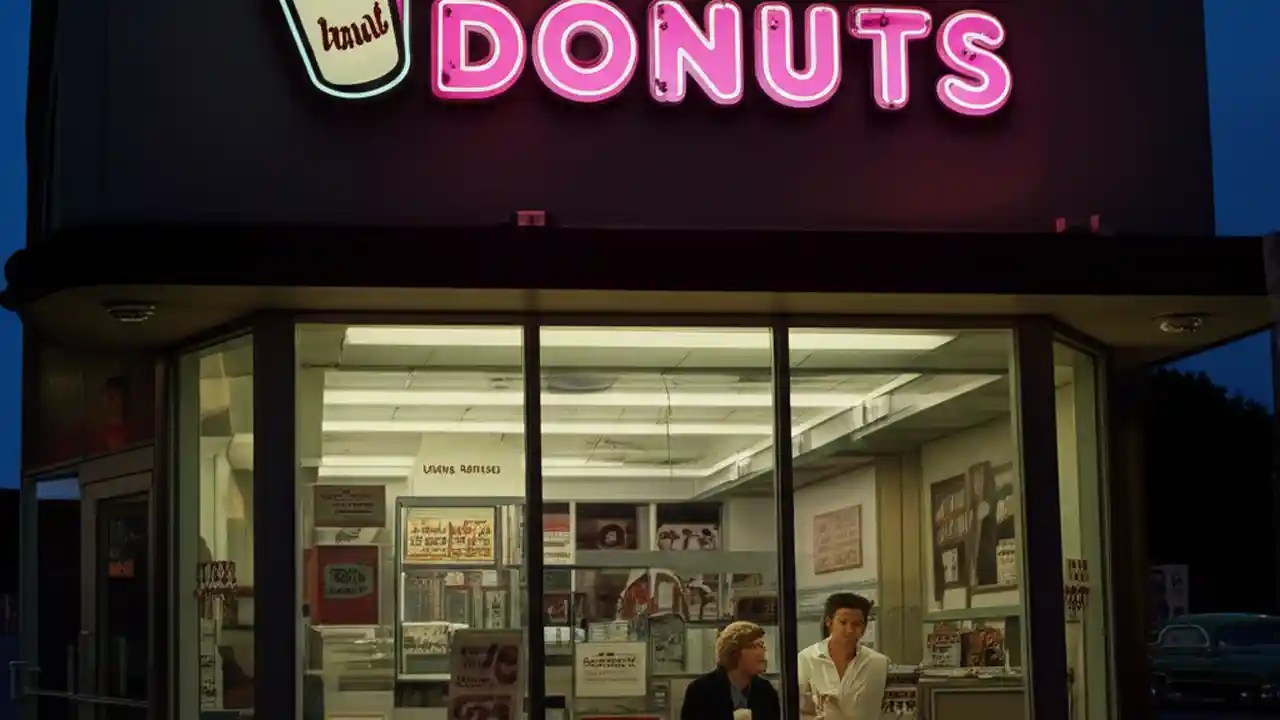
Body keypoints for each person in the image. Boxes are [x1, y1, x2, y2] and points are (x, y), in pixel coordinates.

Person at [798, 593, 887, 719]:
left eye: (856, 624)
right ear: (829, 623)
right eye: (843, 622)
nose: (849, 630)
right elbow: (797, 707)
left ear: (864, 627)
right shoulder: (806, 659)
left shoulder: (877, 663)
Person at [681, 621, 781, 720]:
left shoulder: (766, 692)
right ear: (734, 652)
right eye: (754, 646)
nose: (762, 652)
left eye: (762, 646)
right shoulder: (701, 691)